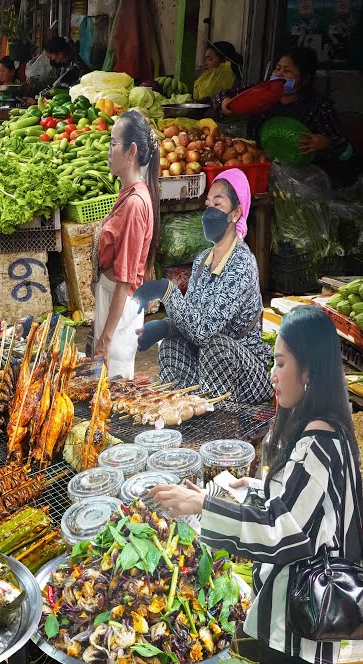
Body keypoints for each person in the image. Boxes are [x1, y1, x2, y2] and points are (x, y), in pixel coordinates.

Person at [151, 304, 362, 664]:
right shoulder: (328, 429)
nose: (272, 375)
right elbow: (301, 506)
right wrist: (253, 488)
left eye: (280, 363)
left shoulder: (319, 445)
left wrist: (203, 505)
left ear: (308, 371)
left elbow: (280, 532)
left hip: (299, 627)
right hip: (297, 615)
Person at [139, 169, 273, 403]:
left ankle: (221, 419)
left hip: (245, 370)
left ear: (236, 213)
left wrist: (166, 291)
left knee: (216, 346)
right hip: (207, 363)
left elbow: (203, 331)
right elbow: (190, 317)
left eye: (217, 204)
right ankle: (182, 411)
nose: (209, 211)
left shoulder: (242, 263)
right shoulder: (202, 260)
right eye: (207, 203)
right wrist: (164, 328)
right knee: (171, 345)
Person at [93, 110, 161, 378]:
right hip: (113, 302)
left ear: (131, 150)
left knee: (114, 391)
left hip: (119, 309)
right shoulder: (130, 192)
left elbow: (125, 280)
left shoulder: (134, 204)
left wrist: (107, 338)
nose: (109, 151)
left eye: (113, 144)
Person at [220, 47, 352, 172]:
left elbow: (343, 146)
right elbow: (222, 95)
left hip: (302, 173)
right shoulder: (260, 93)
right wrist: (224, 102)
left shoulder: (319, 107)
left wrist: (325, 143)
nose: (279, 74)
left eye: (287, 71)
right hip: (258, 163)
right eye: (277, 69)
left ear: (305, 79)